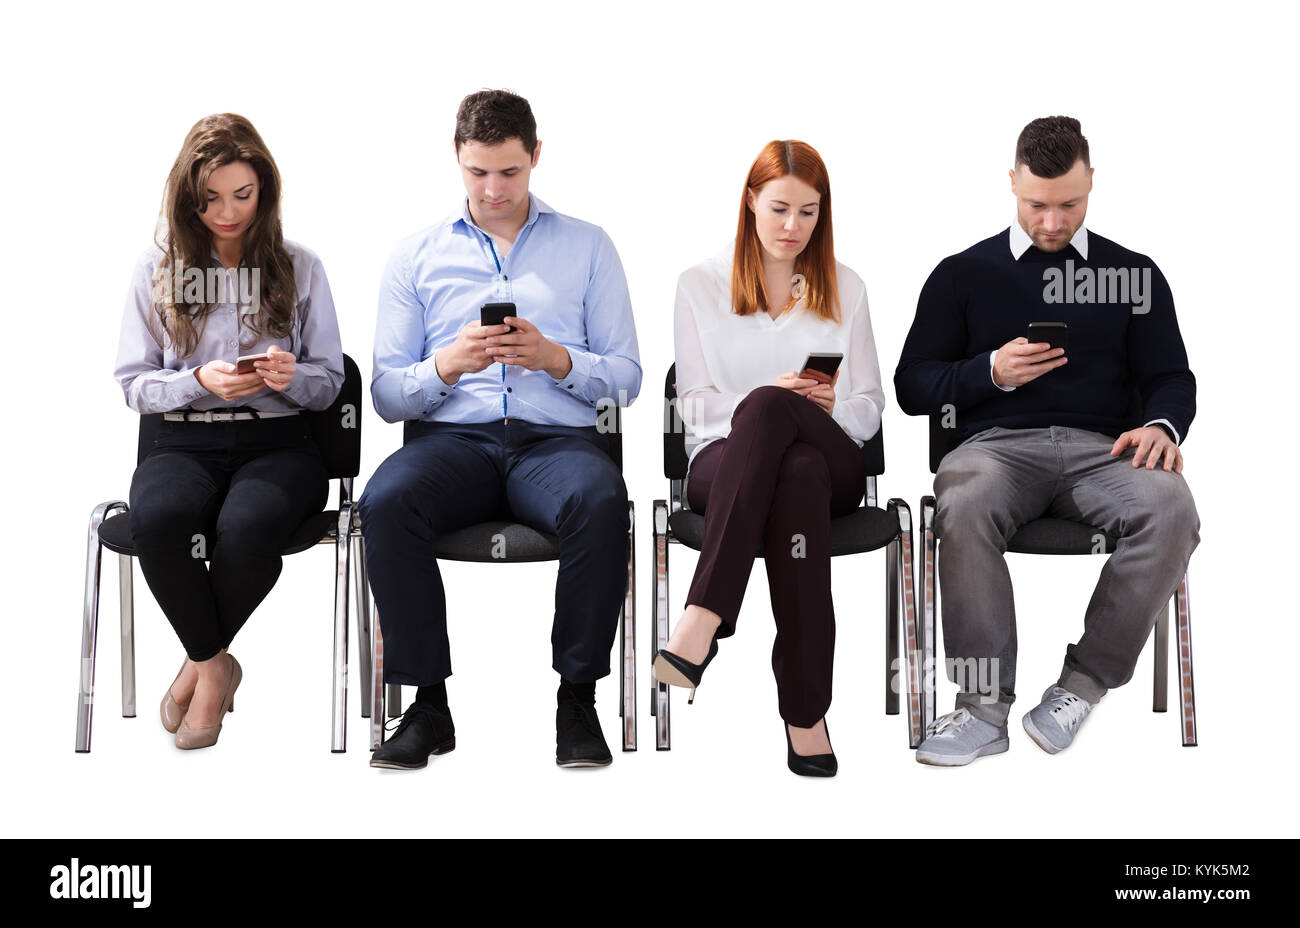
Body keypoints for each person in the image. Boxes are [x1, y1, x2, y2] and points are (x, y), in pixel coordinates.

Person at [895, 116, 1199, 765]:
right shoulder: (961, 274)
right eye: (1037, 205)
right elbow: (912, 385)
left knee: (1173, 506)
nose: (1053, 222)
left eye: (1069, 205)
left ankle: (1081, 688)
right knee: (965, 501)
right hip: (993, 451)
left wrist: (1160, 426)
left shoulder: (1134, 274)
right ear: (1012, 182)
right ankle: (982, 709)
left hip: (1105, 453)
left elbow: (1172, 376)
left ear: (1091, 184)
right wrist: (988, 372)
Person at [359, 89, 642, 771]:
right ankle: (427, 705)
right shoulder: (415, 255)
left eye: (509, 172)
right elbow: (387, 395)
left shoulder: (589, 246)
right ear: (456, 158)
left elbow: (627, 379)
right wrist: (447, 365)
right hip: (452, 444)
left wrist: (556, 359)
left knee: (600, 500)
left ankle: (578, 700)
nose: (493, 189)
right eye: (477, 171)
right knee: (385, 501)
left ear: (536, 156)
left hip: (558, 444)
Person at [653, 140, 885, 777]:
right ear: (751, 200)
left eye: (808, 212)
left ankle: (703, 618)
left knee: (792, 436)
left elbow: (870, 407)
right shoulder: (699, 284)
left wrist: (829, 408)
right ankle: (807, 714)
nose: (792, 226)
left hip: (835, 459)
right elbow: (693, 407)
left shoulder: (847, 285)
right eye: (780, 208)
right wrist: (767, 402)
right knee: (790, 461)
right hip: (725, 463)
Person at [114, 113, 345, 750]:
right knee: (159, 522)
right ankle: (215, 666)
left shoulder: (301, 266)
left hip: (280, 444)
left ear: (264, 189)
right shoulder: (157, 268)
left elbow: (330, 383)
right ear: (186, 197)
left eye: (242, 195)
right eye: (210, 198)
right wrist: (196, 381)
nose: (227, 212)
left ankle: (199, 666)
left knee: (247, 529)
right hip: (181, 441)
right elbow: (133, 384)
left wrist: (291, 377)